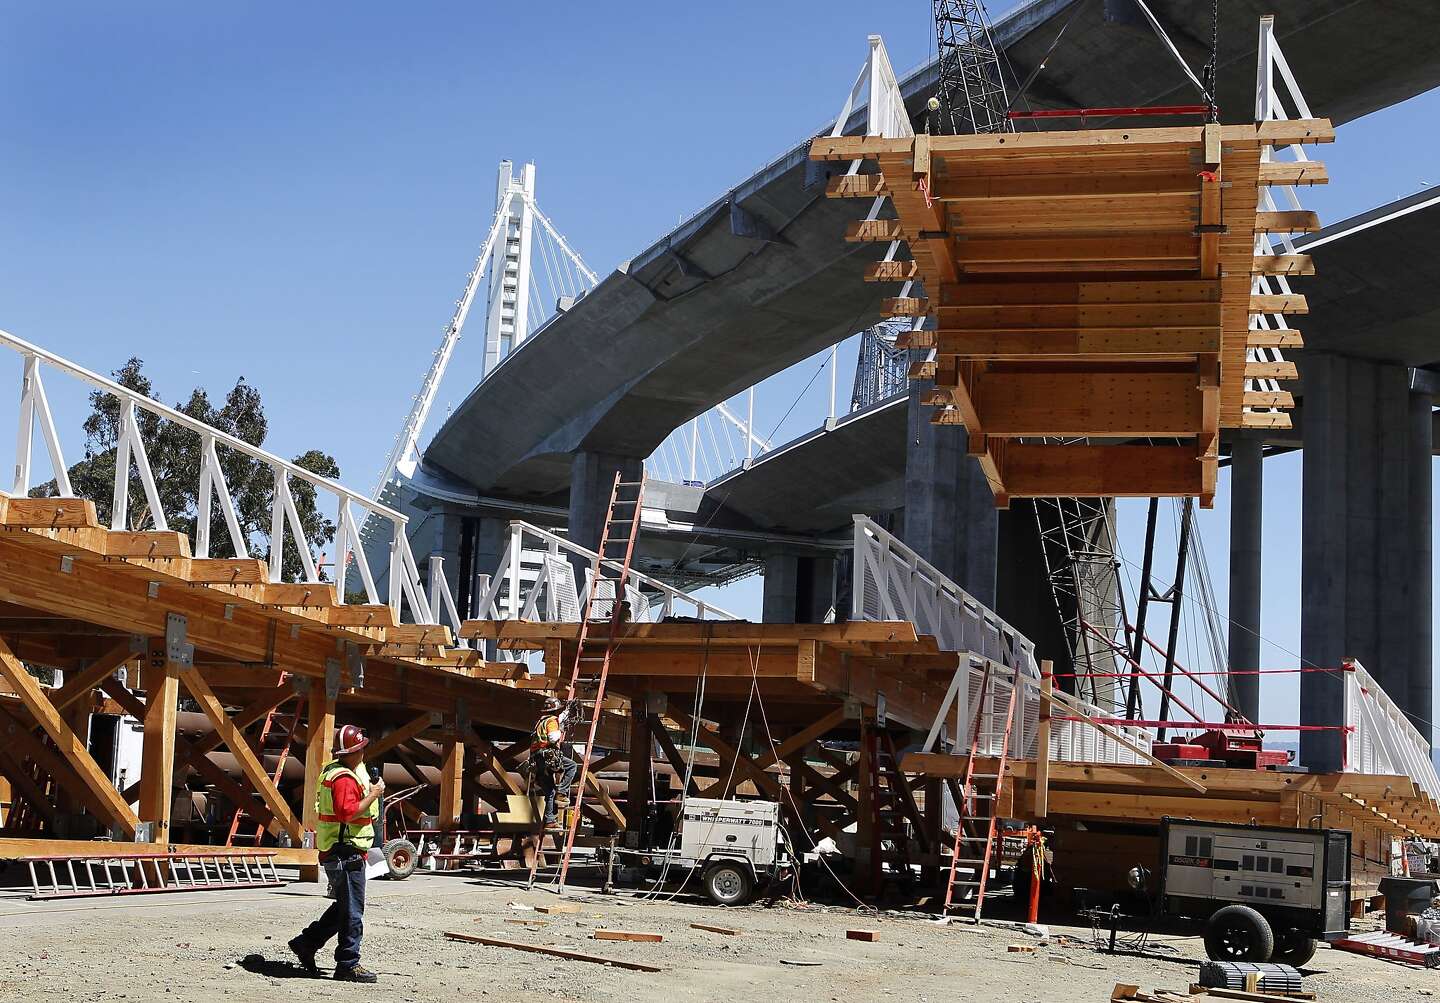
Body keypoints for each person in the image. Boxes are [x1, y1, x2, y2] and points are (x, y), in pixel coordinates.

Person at [289, 724, 384, 983]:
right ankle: (348, 964)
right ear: (353, 751)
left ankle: (306, 943)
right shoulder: (343, 779)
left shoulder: (339, 771)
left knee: (345, 905)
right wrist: (375, 793)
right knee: (353, 910)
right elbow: (347, 812)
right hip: (345, 851)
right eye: (361, 747)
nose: (364, 751)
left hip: (343, 849)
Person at [530, 697, 578, 826]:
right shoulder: (552, 721)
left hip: (537, 758)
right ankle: (562, 792)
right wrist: (560, 730)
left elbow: (559, 719)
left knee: (550, 791)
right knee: (572, 766)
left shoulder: (541, 721)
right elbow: (552, 738)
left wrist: (567, 711)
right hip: (547, 755)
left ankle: (550, 820)